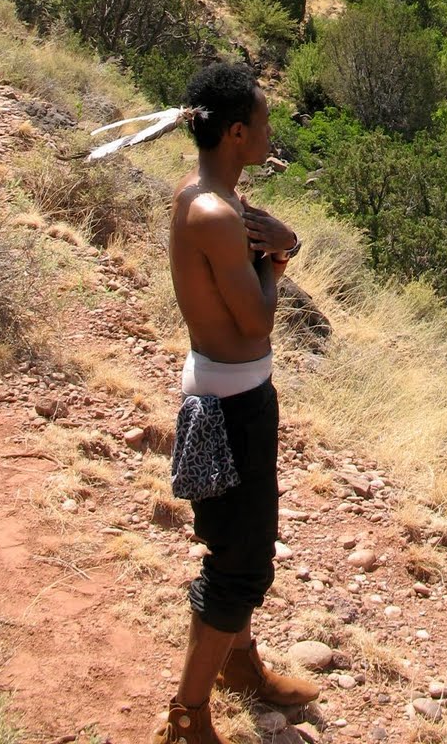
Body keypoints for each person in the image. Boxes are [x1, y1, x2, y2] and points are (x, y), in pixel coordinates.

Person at [152, 60, 320, 744]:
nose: (272, 130)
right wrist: (279, 259)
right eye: (265, 121)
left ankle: (240, 663)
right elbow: (254, 321)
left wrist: (272, 244)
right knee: (239, 563)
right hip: (232, 403)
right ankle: (188, 716)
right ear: (237, 134)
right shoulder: (218, 214)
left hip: (229, 390)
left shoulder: (200, 193)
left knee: (236, 549)